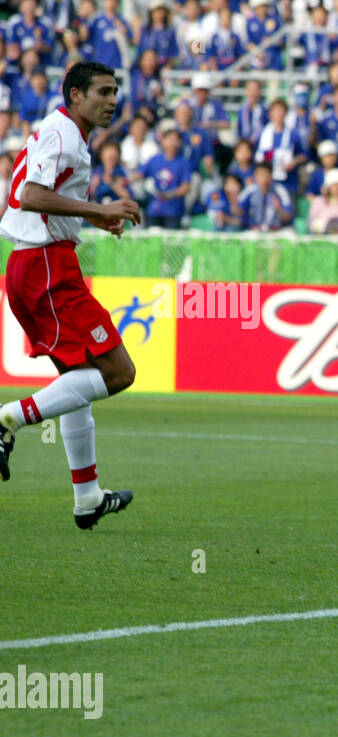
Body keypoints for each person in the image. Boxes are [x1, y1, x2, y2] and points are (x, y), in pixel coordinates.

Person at [0, 61, 142, 527]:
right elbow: (31, 196)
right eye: (103, 91)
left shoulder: (62, 133)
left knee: (76, 382)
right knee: (118, 371)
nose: (112, 100)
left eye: (115, 92)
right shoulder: (63, 132)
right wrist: (99, 207)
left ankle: (87, 497)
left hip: (32, 263)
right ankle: (10, 418)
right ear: (75, 95)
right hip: (46, 266)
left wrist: (92, 218)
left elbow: (37, 198)